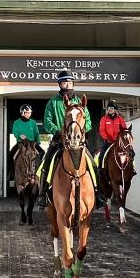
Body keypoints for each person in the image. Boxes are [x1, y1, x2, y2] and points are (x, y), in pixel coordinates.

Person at [37, 70, 92, 200]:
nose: (67, 85)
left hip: (78, 142)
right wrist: (57, 130)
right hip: (58, 141)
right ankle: (42, 194)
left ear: (73, 84)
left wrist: (80, 130)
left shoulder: (80, 102)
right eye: (64, 83)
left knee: (92, 164)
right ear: (60, 85)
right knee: (46, 163)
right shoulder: (52, 102)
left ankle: (98, 192)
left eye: (69, 82)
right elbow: (47, 121)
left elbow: (88, 121)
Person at [98, 101, 134, 174]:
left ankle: (132, 168)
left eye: (111, 108)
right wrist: (107, 139)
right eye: (108, 108)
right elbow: (102, 130)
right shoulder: (104, 119)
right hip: (109, 142)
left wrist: (122, 139)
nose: (109, 109)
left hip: (119, 142)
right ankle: (100, 169)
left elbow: (124, 130)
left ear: (115, 110)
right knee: (102, 154)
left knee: (130, 152)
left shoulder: (120, 119)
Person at [8, 104, 43, 178]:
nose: (29, 114)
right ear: (22, 113)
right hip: (21, 143)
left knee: (42, 153)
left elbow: (36, 133)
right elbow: (15, 131)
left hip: (32, 144)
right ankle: (10, 173)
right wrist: (19, 135)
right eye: (27, 112)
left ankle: (42, 173)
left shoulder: (33, 122)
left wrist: (38, 141)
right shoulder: (16, 122)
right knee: (11, 155)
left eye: (30, 112)